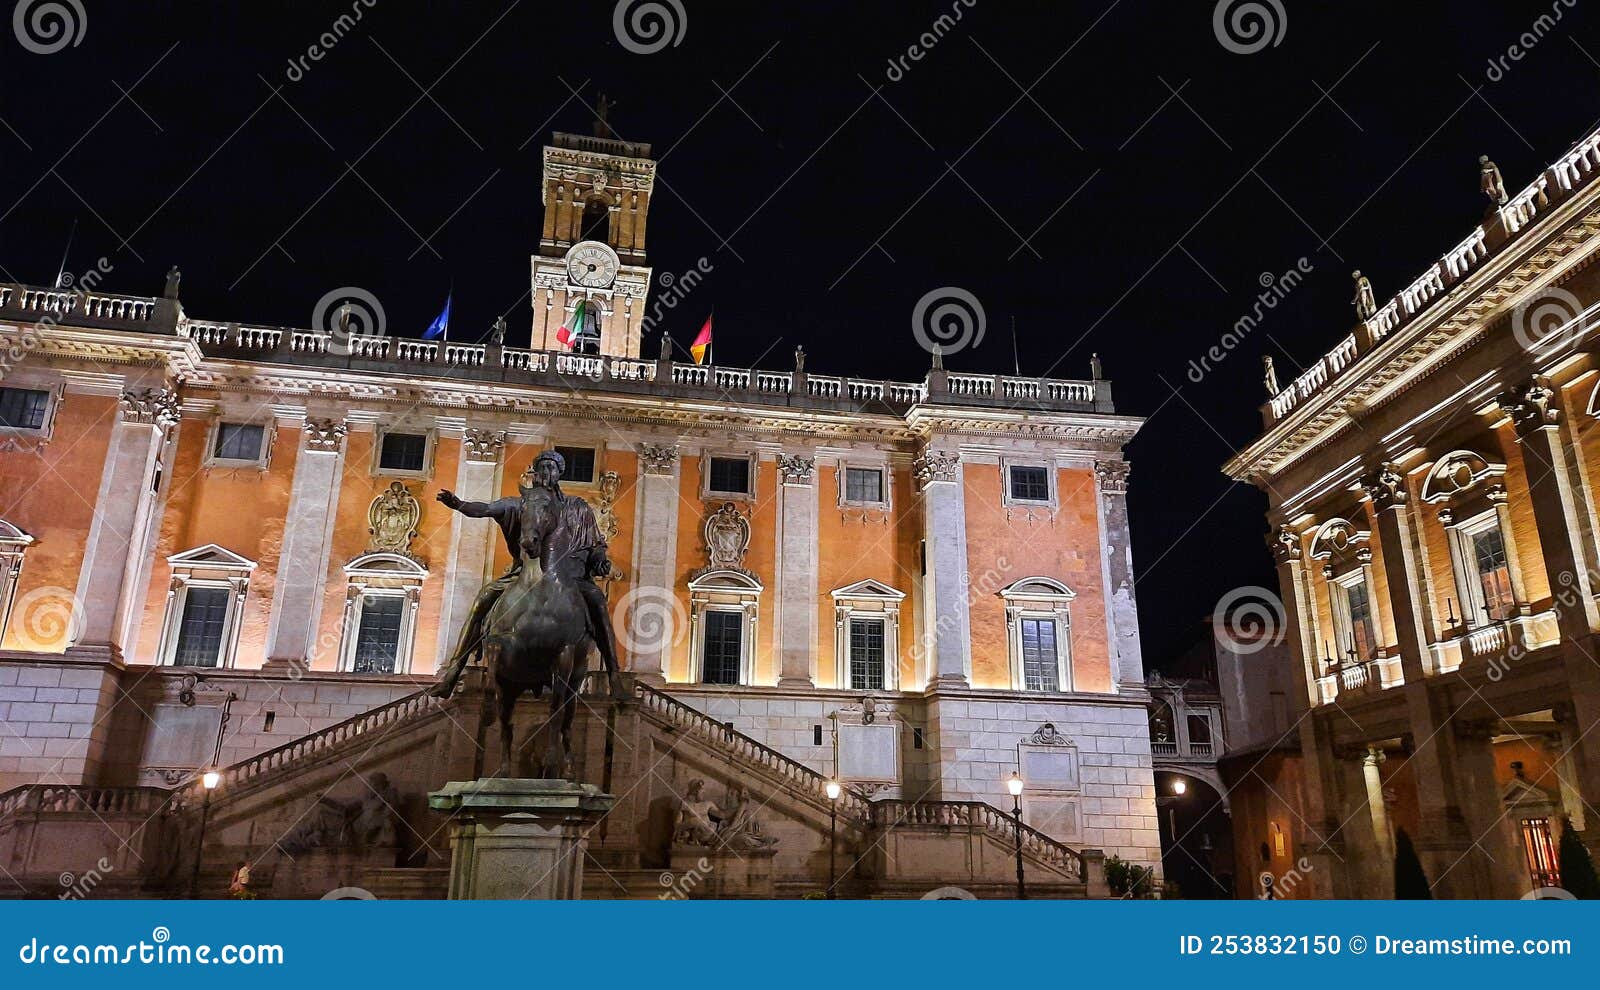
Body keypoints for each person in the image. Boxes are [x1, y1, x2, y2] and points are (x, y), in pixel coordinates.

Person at [428, 449, 625, 699]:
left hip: (572, 578)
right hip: (525, 573)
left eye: (551, 468)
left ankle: (614, 675)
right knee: (484, 597)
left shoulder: (578, 508)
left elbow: (596, 544)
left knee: (597, 601)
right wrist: (459, 505)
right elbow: (487, 508)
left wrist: (600, 561)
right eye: (542, 467)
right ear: (535, 472)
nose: (546, 473)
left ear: (559, 473)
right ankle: (454, 671)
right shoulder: (522, 503)